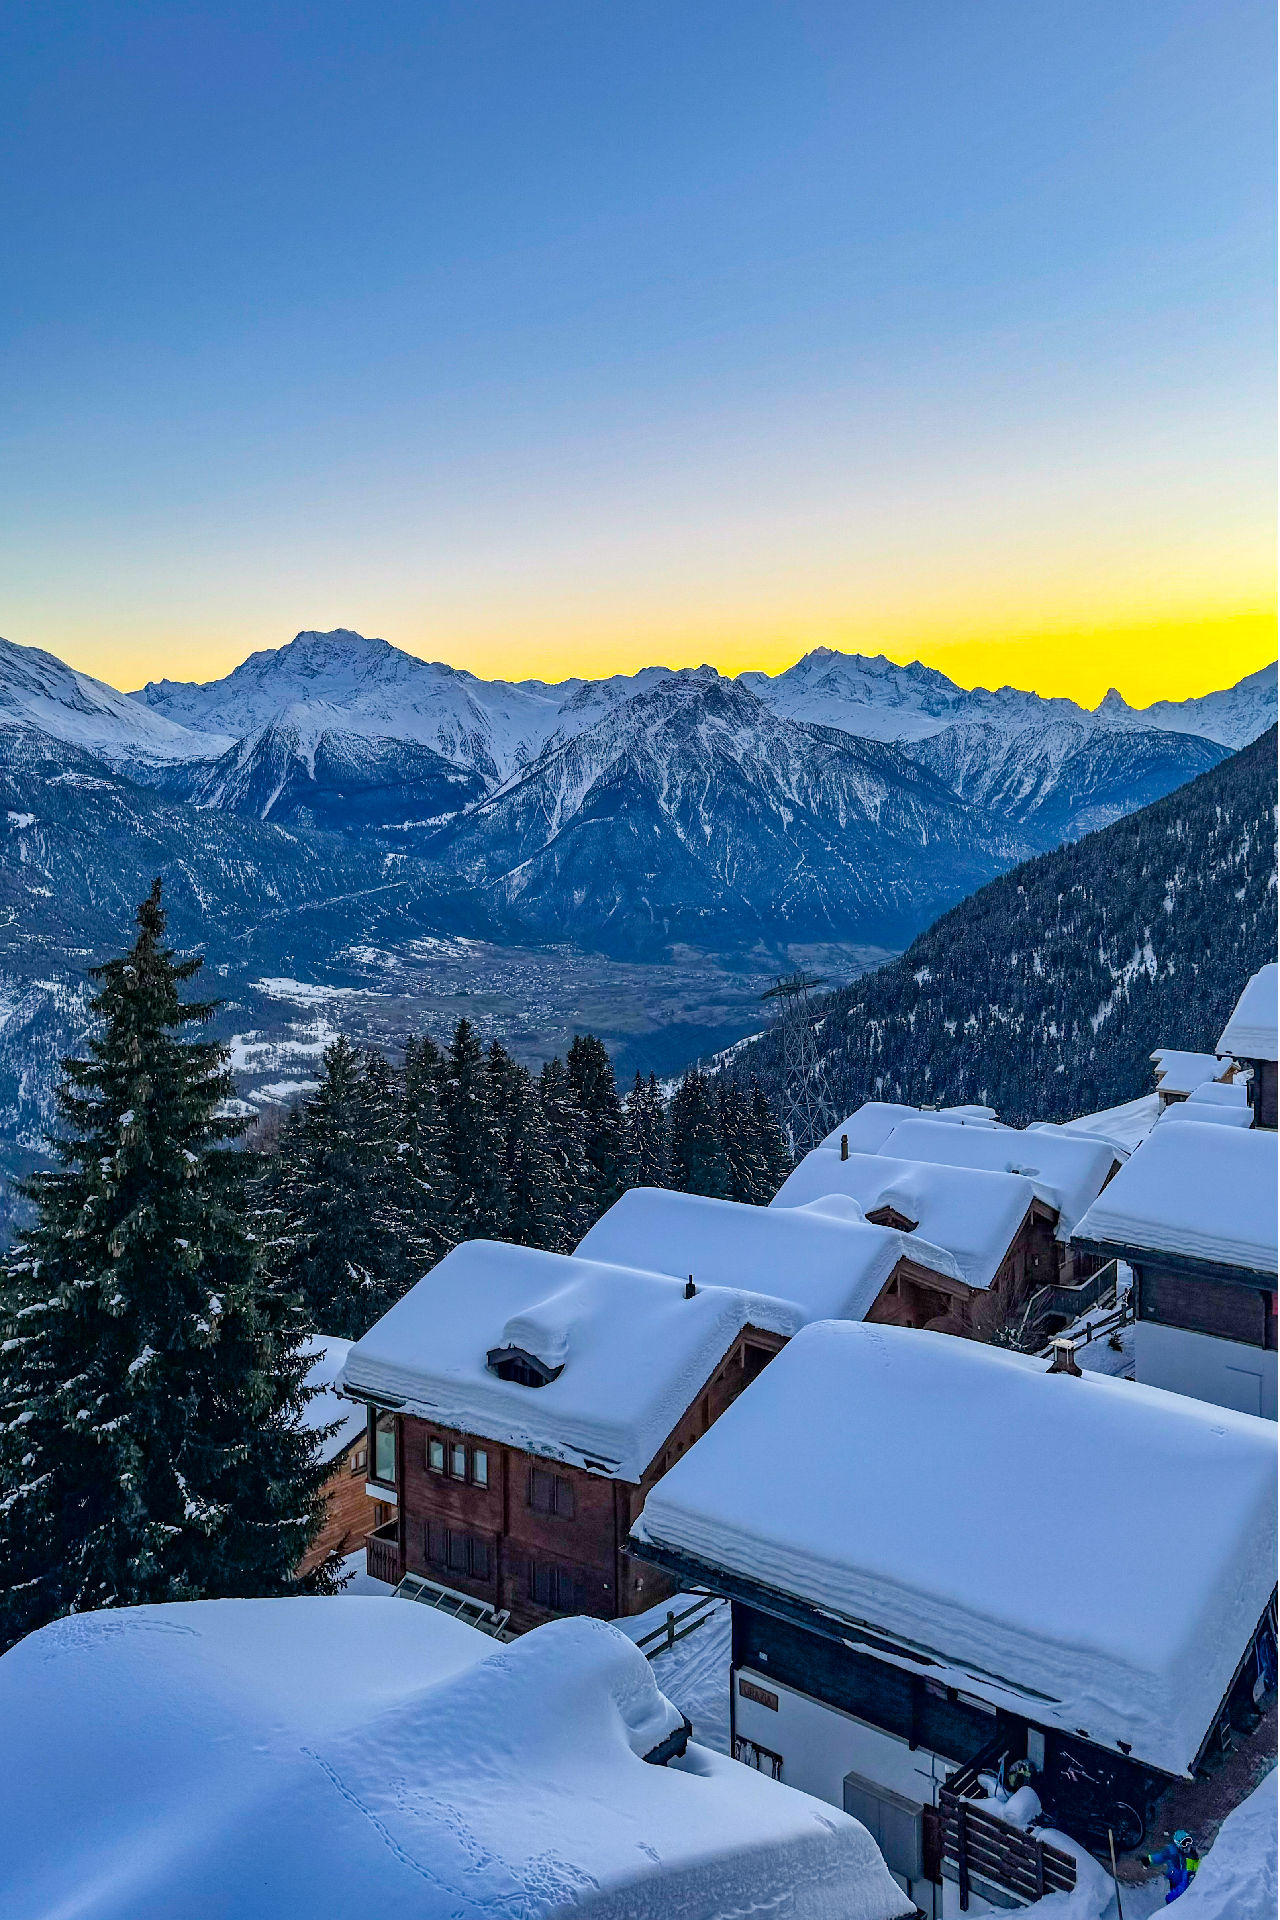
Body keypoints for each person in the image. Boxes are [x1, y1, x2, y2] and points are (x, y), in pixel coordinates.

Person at [1145, 1830, 1199, 1903]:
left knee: (1180, 1891)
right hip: (1174, 1876)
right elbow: (1161, 1856)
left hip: (1184, 1877)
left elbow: (1184, 1884)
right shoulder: (1172, 1851)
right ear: (1178, 1844)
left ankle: (1175, 1903)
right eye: (1184, 1843)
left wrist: (1169, 1898)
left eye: (1189, 1841)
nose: (1188, 1845)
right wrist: (1149, 1859)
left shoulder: (1192, 1857)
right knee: (1175, 1887)